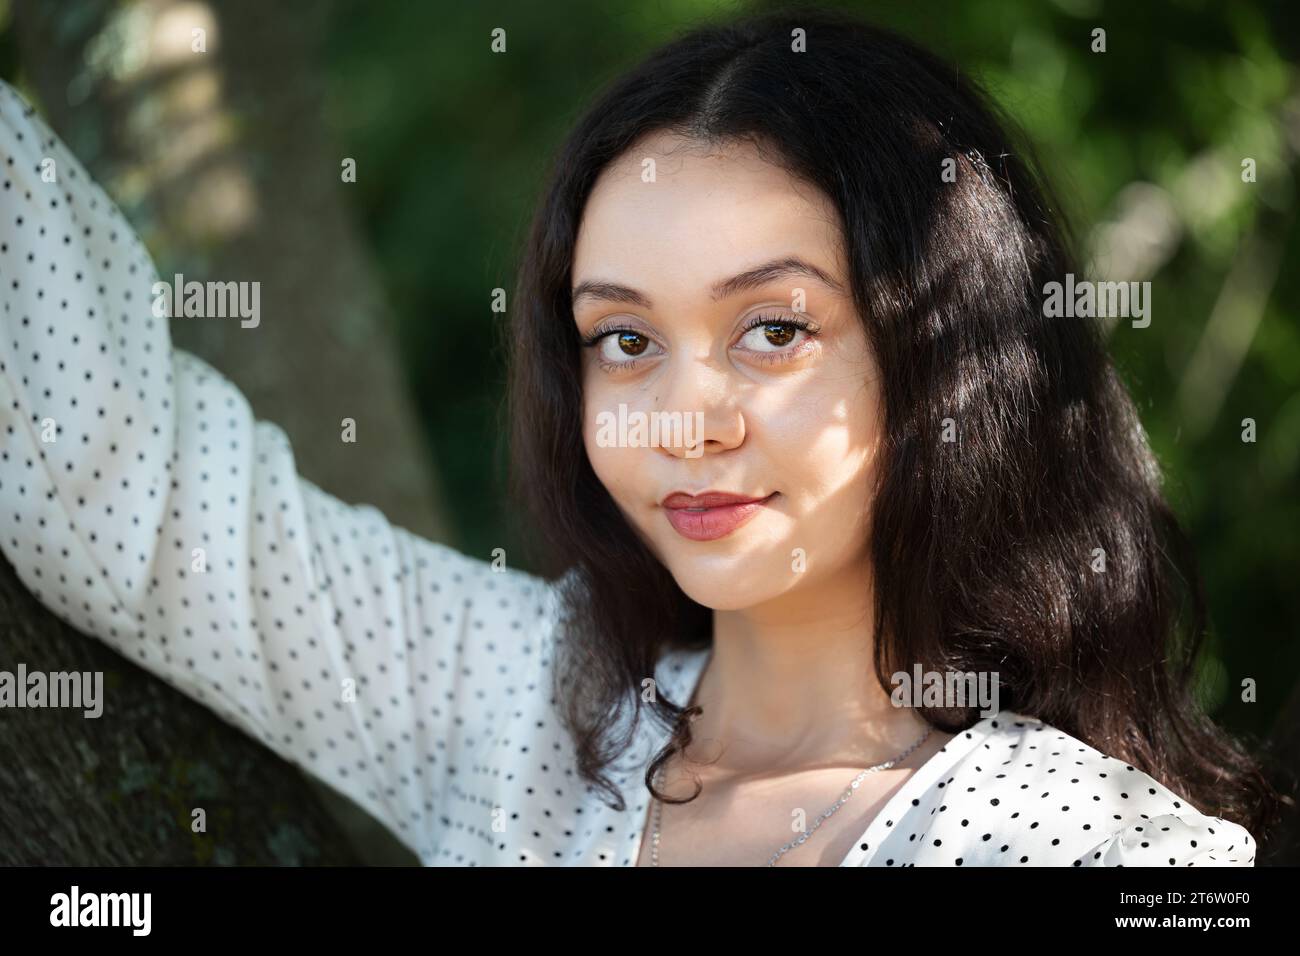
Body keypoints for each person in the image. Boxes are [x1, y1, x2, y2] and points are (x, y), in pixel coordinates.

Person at [0, 8, 1278, 866]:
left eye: (773, 329)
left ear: (946, 362)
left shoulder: (1087, 845)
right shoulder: (528, 702)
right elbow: (105, 475)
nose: (681, 415)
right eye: (624, 338)